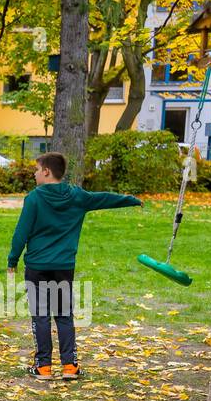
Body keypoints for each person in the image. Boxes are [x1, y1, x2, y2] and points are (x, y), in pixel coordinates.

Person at [8, 151, 141, 380]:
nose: (34, 173)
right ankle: (70, 366)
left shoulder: (34, 198)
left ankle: (43, 367)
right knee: (63, 315)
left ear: (47, 171)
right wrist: (131, 199)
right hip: (63, 266)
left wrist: (13, 260)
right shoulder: (76, 196)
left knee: (40, 316)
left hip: (37, 266)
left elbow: (22, 232)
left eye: (37, 169)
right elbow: (104, 199)